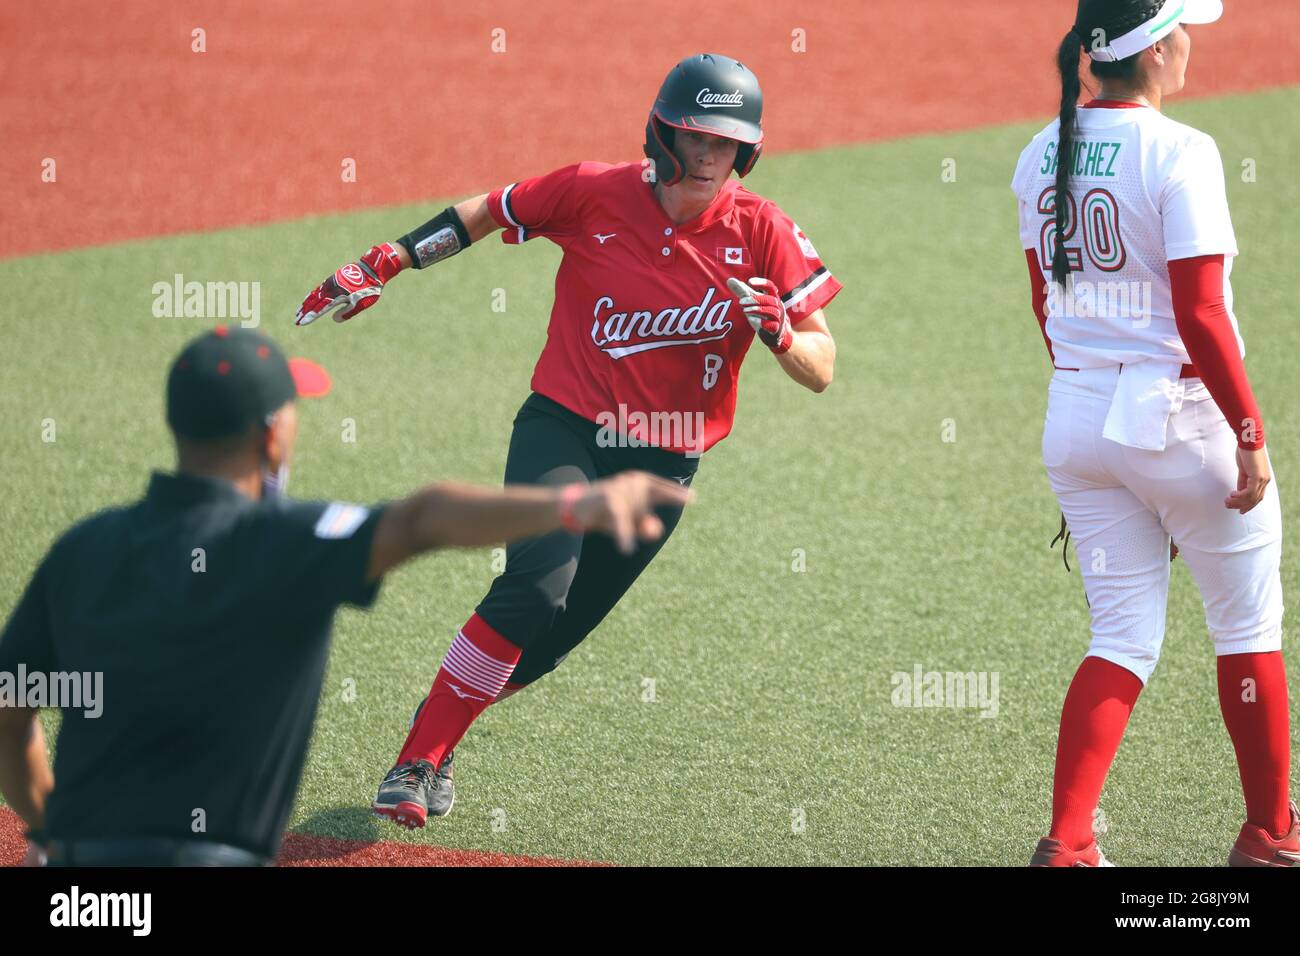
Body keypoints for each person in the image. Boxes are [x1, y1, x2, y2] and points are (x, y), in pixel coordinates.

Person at [293, 52, 843, 828]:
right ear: (664, 134)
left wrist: (785, 334)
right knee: (535, 586)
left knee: (547, 642)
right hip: (566, 428)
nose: (714, 154)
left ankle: (446, 722)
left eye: (730, 141)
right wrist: (390, 258)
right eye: (698, 135)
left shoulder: (763, 231)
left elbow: (823, 367)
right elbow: (489, 209)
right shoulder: (592, 191)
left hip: (666, 459)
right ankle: (415, 761)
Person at [0, 326, 690, 866]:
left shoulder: (82, 548)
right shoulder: (292, 542)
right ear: (273, 434)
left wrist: (51, 828)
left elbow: (9, 708)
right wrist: (574, 504)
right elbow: (422, 519)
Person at [1012, 0, 1296, 866]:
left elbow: (1045, 305)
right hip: (1184, 420)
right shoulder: (1182, 151)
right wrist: (1248, 432)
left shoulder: (1037, 150)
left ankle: (1068, 843)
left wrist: (1122, 453)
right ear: (1159, 47)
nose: (1191, 44)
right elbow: (1200, 310)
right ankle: (1272, 834)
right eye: (1186, 29)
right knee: (1248, 626)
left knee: (1122, 636)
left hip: (1078, 418)